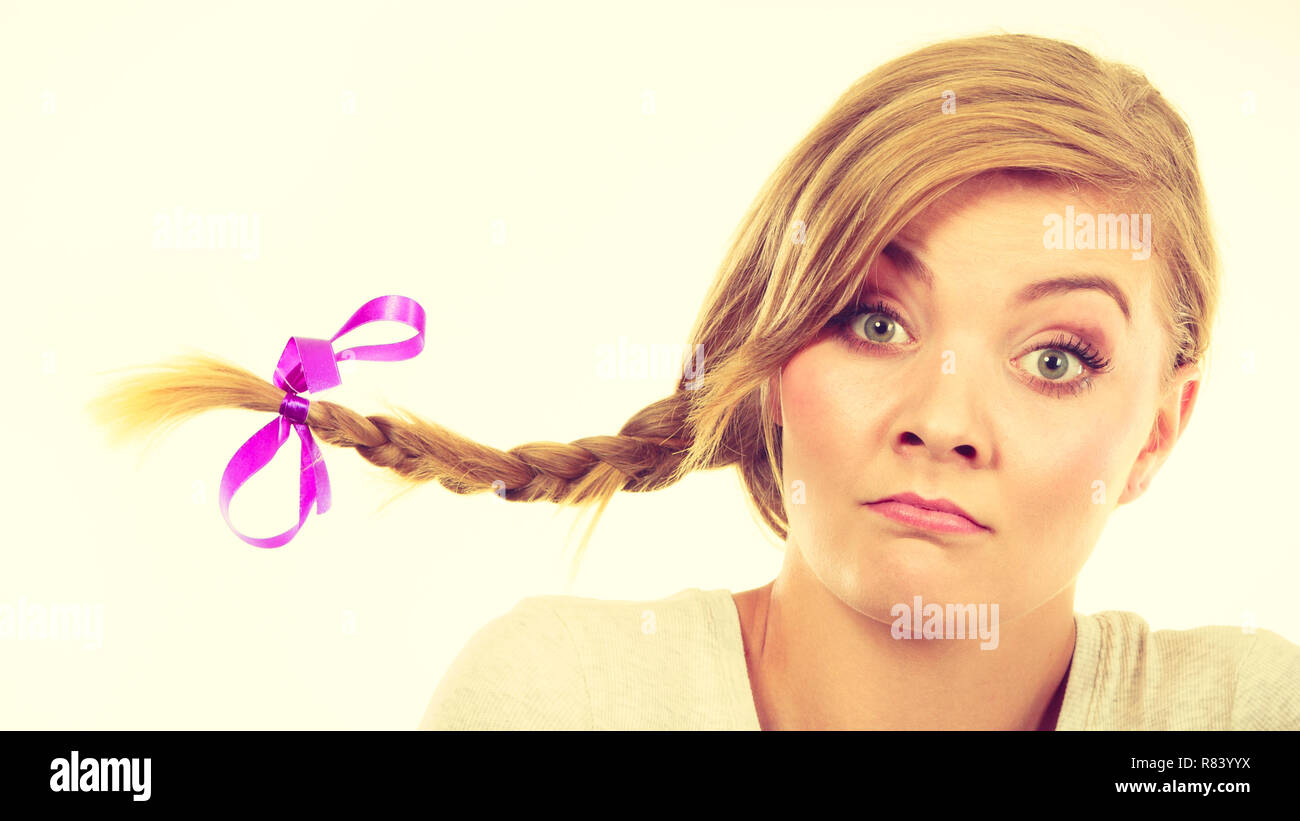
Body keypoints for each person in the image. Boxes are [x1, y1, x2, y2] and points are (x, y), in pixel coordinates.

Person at [89, 32, 1300, 730]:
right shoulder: (561, 702)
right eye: (872, 318)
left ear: (1156, 430)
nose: (942, 419)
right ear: (772, 355)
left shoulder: (1241, 725)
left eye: (1054, 359)